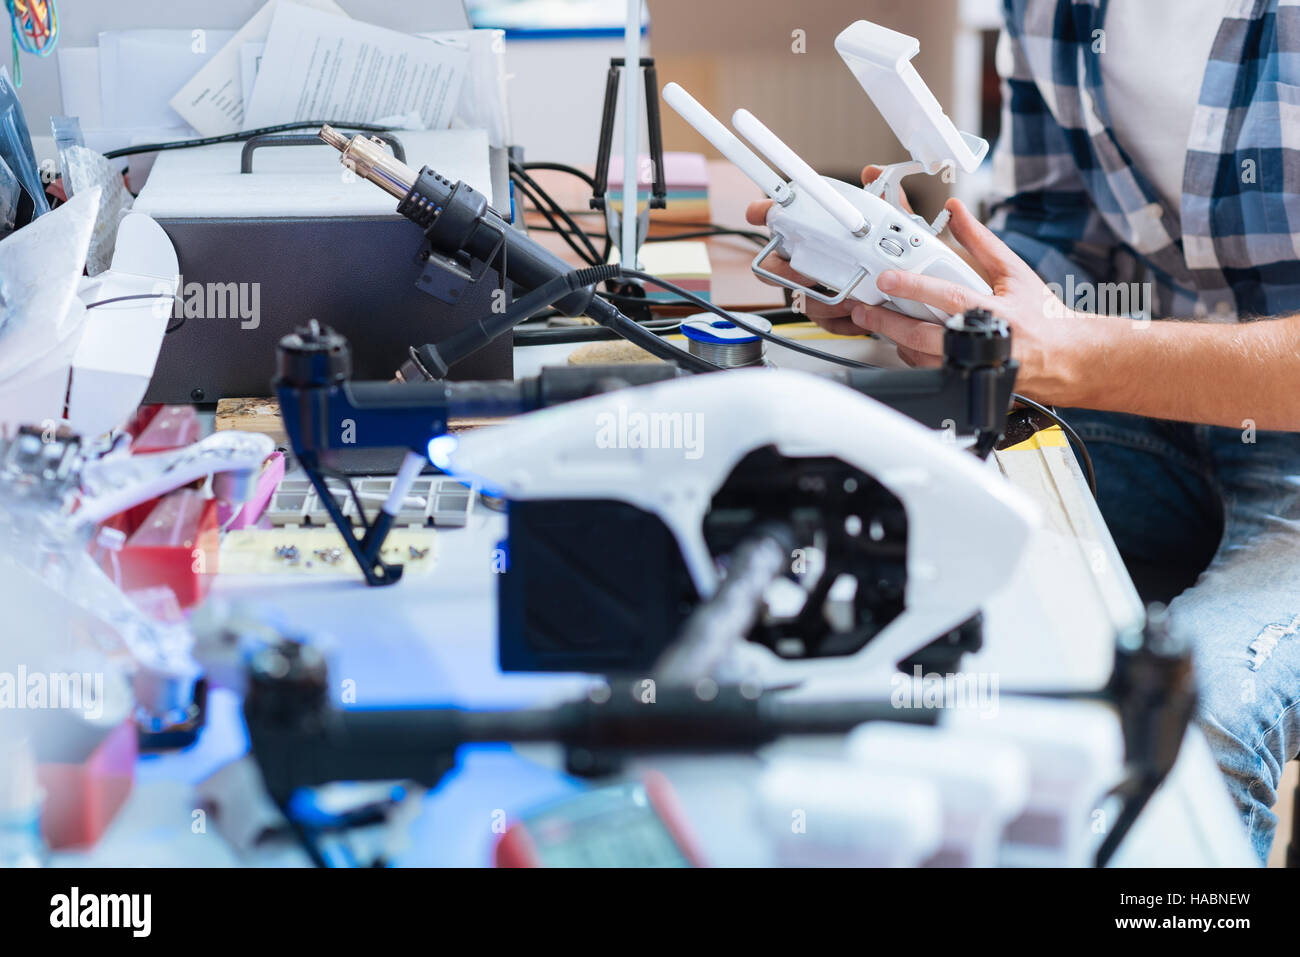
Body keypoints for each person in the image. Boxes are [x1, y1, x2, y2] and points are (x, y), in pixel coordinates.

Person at [749, 0, 1300, 862]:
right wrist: (915, 285)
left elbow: (1090, 346)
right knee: (854, 531)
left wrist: (1083, 354)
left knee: (1188, 734)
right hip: (1165, 406)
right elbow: (1061, 234)